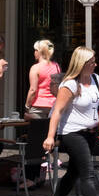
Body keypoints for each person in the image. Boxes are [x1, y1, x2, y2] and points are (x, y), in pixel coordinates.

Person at [43, 47, 99, 196]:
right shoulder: (70, 85)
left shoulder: (96, 79)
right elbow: (57, 111)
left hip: (90, 133)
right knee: (87, 173)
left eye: (95, 61)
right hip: (72, 133)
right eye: (91, 62)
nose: (95, 65)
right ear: (81, 64)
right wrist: (50, 137)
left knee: (73, 173)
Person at [23, 39, 61, 183]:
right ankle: (41, 174)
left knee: (34, 142)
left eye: (35, 50)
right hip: (53, 107)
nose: (34, 52)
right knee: (47, 140)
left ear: (39, 52)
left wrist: (27, 106)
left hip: (38, 107)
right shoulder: (56, 66)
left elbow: (33, 90)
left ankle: (31, 178)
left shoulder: (35, 68)